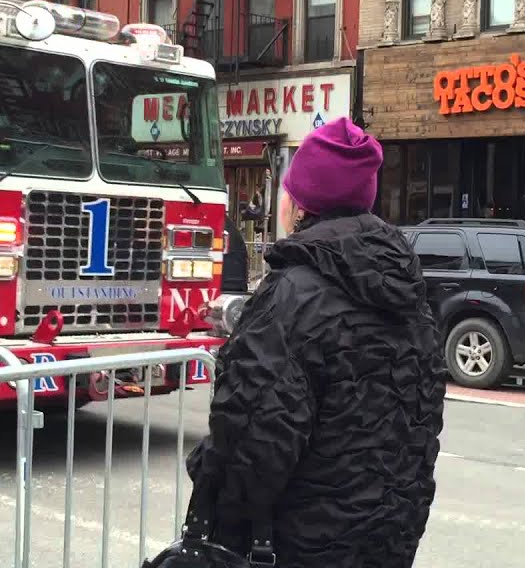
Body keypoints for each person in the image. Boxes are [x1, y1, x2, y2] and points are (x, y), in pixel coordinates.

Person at [183, 117, 445, 567]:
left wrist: (215, 520)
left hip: (299, 545)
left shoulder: (292, 296)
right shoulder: (410, 298)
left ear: (301, 205)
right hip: (389, 540)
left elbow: (252, 441)